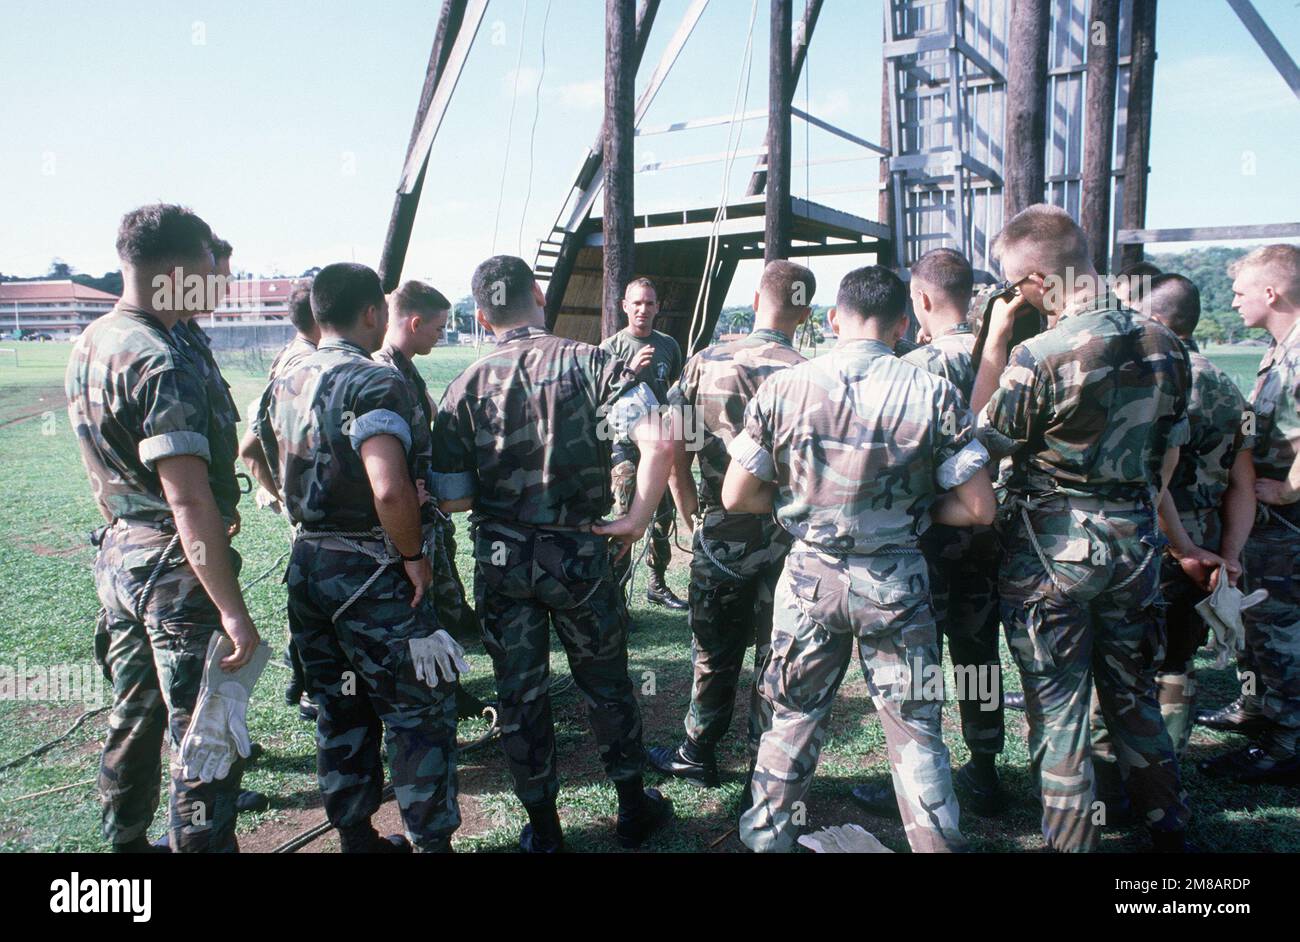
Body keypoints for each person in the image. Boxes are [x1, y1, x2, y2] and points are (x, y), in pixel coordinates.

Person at [725, 264, 995, 853]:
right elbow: (979, 508)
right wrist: (916, 510)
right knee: (917, 731)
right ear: (904, 324)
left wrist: (802, 503)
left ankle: (767, 838)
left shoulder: (783, 388)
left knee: (791, 717)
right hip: (897, 581)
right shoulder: (933, 392)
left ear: (831, 318)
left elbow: (736, 495)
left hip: (807, 582)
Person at [431, 255, 675, 852]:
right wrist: (636, 519)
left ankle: (544, 829)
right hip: (581, 558)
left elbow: (455, 499)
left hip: (503, 564)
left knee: (520, 694)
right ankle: (631, 808)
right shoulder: (595, 363)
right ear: (538, 295)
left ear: (483, 316)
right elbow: (661, 438)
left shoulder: (463, 386)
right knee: (607, 683)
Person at [971, 204, 1193, 852]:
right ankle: (1169, 831)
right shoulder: (1168, 346)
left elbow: (979, 445)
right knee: (1134, 699)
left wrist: (996, 341)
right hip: (1136, 547)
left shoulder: (1038, 354)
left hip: (1051, 557)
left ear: (1037, 281)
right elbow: (1170, 454)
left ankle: (1073, 845)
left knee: (1059, 715)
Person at [67, 203, 261, 852]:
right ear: (179, 272)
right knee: (203, 741)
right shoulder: (159, 357)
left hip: (119, 556)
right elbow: (188, 500)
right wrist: (232, 613)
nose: (218, 282)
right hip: (175, 568)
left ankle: (125, 851)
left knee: (133, 716)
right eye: (211, 270)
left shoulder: (95, 340)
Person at [254, 262, 464, 853]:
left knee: (339, 705)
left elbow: (261, 452)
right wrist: (413, 554)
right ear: (373, 313)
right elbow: (390, 488)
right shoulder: (373, 381)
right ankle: (431, 842)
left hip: (309, 566)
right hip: (372, 570)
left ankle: (355, 834)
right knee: (417, 712)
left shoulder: (287, 376)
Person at [647, 260, 815, 788]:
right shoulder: (811, 373)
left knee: (714, 650)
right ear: (805, 311)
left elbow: (672, 441)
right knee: (779, 651)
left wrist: (686, 501)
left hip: (721, 531)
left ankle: (698, 751)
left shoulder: (704, 363)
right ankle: (764, 765)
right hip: (789, 536)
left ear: (755, 297)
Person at [853, 247, 1008, 818]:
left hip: (925, 539)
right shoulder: (1005, 357)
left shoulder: (915, 367)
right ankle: (985, 770)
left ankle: (920, 783)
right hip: (984, 535)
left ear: (919, 299)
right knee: (976, 657)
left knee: (915, 665)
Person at [1135, 274, 1254, 757]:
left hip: (1162, 541)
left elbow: (1155, 481)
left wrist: (1182, 548)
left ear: (1159, 321)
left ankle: (1127, 776)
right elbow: (1243, 483)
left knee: (1133, 660)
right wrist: (1228, 556)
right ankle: (1168, 765)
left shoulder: (1161, 382)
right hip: (1207, 538)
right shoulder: (1229, 388)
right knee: (1179, 660)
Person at [1197, 245, 1300, 785]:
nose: (1233, 301)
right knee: (1258, 621)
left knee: (1280, 625)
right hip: (1269, 522)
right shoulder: (1280, 348)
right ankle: (1257, 707)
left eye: (1240, 292)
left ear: (1271, 292)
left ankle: (1287, 743)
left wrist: (1286, 491)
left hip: (1287, 522)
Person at [374, 279, 488, 719]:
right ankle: (432, 694)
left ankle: (445, 687)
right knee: (419, 605)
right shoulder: (383, 372)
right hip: (407, 512)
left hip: (424, 509)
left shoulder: (405, 367)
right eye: (438, 329)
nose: (441, 337)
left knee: (436, 600)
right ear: (414, 322)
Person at [239, 278, 319, 722]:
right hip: (313, 510)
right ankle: (310, 687)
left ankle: (303, 674)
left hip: (301, 505)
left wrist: (277, 493)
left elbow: (253, 445)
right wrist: (286, 497)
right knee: (315, 599)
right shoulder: (306, 366)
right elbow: (250, 445)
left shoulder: (289, 356)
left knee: (308, 594)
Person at [601, 277, 687, 610]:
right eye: (636, 303)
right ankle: (617, 596)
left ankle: (657, 584)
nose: (643, 309)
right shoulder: (610, 348)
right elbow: (600, 400)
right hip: (625, 448)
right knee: (624, 518)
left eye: (649, 303)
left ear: (657, 308)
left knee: (662, 517)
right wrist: (630, 374)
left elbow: (675, 394)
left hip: (661, 446)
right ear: (625, 306)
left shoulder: (669, 345)